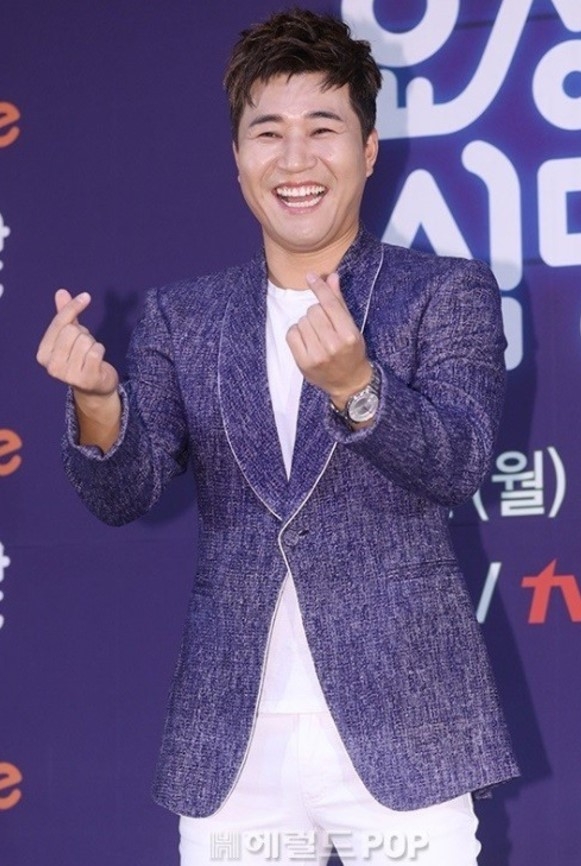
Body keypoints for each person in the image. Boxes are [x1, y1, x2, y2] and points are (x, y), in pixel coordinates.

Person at [37, 8, 519, 865]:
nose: (294, 160)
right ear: (237, 159)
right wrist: (98, 401)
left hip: (407, 722)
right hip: (234, 737)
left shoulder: (441, 293)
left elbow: (459, 460)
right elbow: (122, 494)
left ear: (367, 151)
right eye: (268, 132)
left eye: (322, 129)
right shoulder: (184, 317)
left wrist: (358, 390)